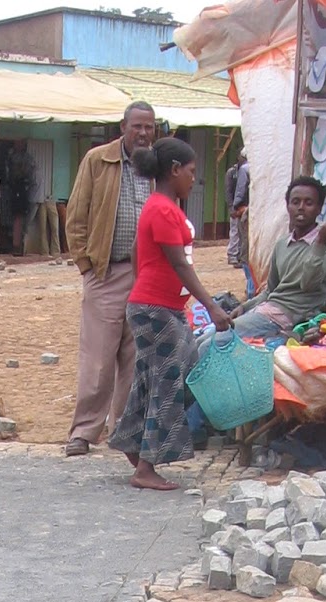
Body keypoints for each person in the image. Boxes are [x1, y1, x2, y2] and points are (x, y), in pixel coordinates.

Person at [109, 137, 228, 492]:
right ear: (174, 170)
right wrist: (211, 306)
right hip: (158, 310)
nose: (194, 179)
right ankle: (146, 466)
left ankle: (133, 442)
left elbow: (137, 252)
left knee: (154, 379)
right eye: (191, 171)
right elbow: (179, 264)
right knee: (170, 382)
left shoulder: (159, 207)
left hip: (156, 306)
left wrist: (144, 286)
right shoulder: (162, 210)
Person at [64, 102, 158, 457]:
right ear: (123, 127)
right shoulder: (98, 160)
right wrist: (86, 266)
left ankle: (124, 431)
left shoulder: (157, 165)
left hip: (146, 274)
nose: (143, 133)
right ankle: (84, 432)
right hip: (106, 271)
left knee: (135, 357)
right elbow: (76, 216)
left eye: (149, 127)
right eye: (137, 127)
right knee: (98, 358)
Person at [225, 176, 326, 342]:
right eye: (295, 202)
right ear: (288, 206)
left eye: (308, 203)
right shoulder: (282, 244)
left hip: (291, 316)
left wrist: (320, 241)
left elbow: (308, 284)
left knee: (215, 342)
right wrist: (244, 307)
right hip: (268, 311)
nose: (301, 208)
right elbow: (271, 290)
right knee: (205, 339)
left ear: (319, 208)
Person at [225, 147, 255, 298]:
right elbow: (230, 191)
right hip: (251, 211)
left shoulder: (244, 170)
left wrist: (236, 207)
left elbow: (240, 191)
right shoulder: (233, 172)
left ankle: (250, 288)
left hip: (245, 212)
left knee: (245, 246)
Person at [6, 141, 36, 255]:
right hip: (19, 195)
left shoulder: (25, 161)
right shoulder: (17, 180)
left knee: (21, 220)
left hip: (22, 196)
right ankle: (18, 246)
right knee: (19, 220)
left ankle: (19, 246)